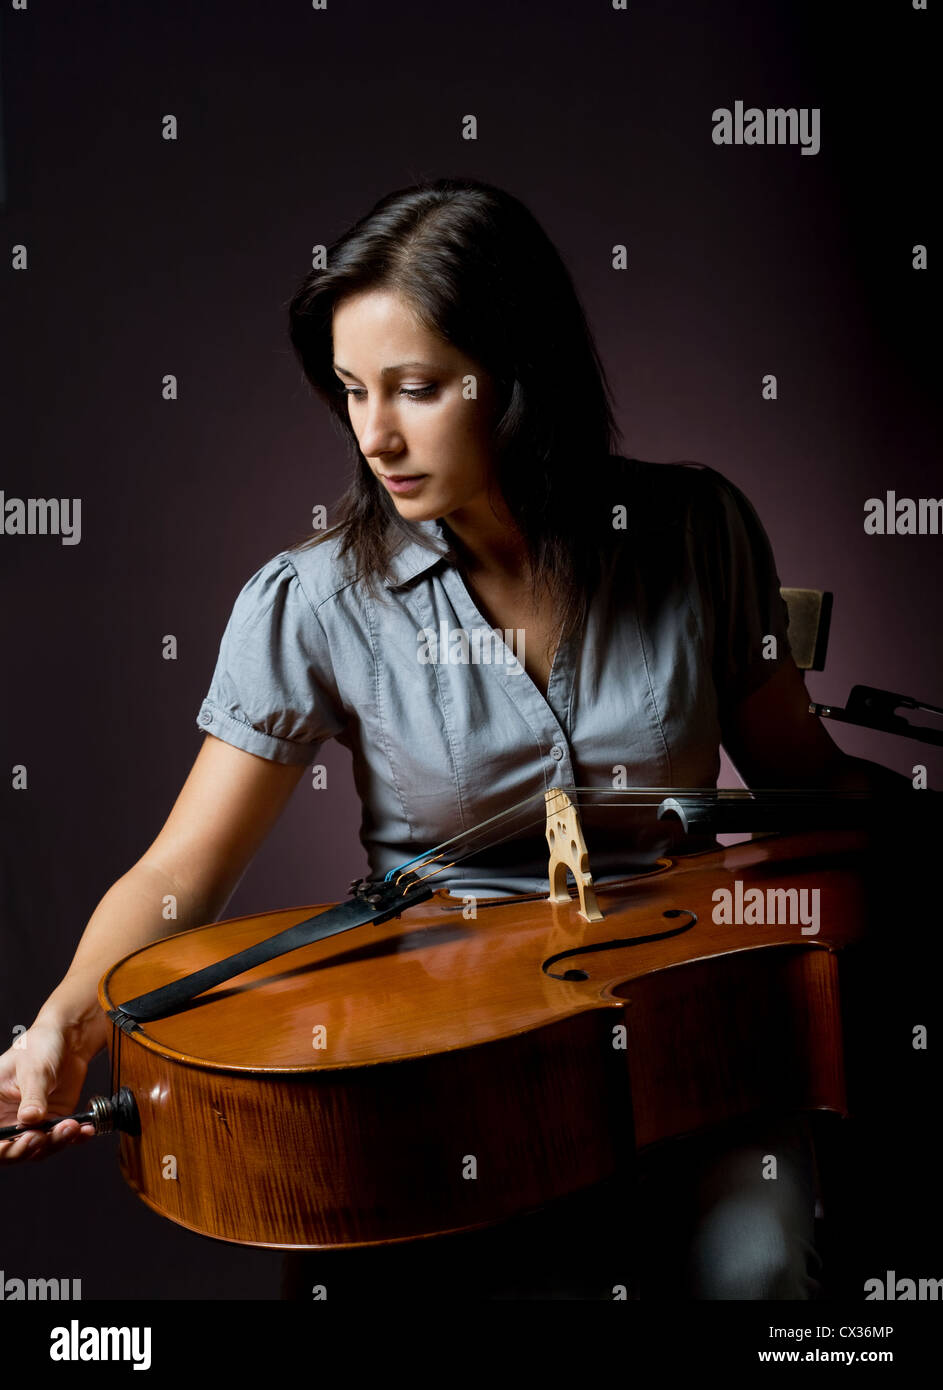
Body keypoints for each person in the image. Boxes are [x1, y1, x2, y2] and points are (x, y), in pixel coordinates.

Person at [0, 177, 907, 1299]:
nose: (373, 434)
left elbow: (802, 779)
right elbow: (181, 872)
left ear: (519, 377)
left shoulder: (692, 531)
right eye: (349, 391)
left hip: (692, 1043)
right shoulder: (313, 600)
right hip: (438, 1071)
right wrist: (66, 1024)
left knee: (759, 1268)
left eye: (417, 390)